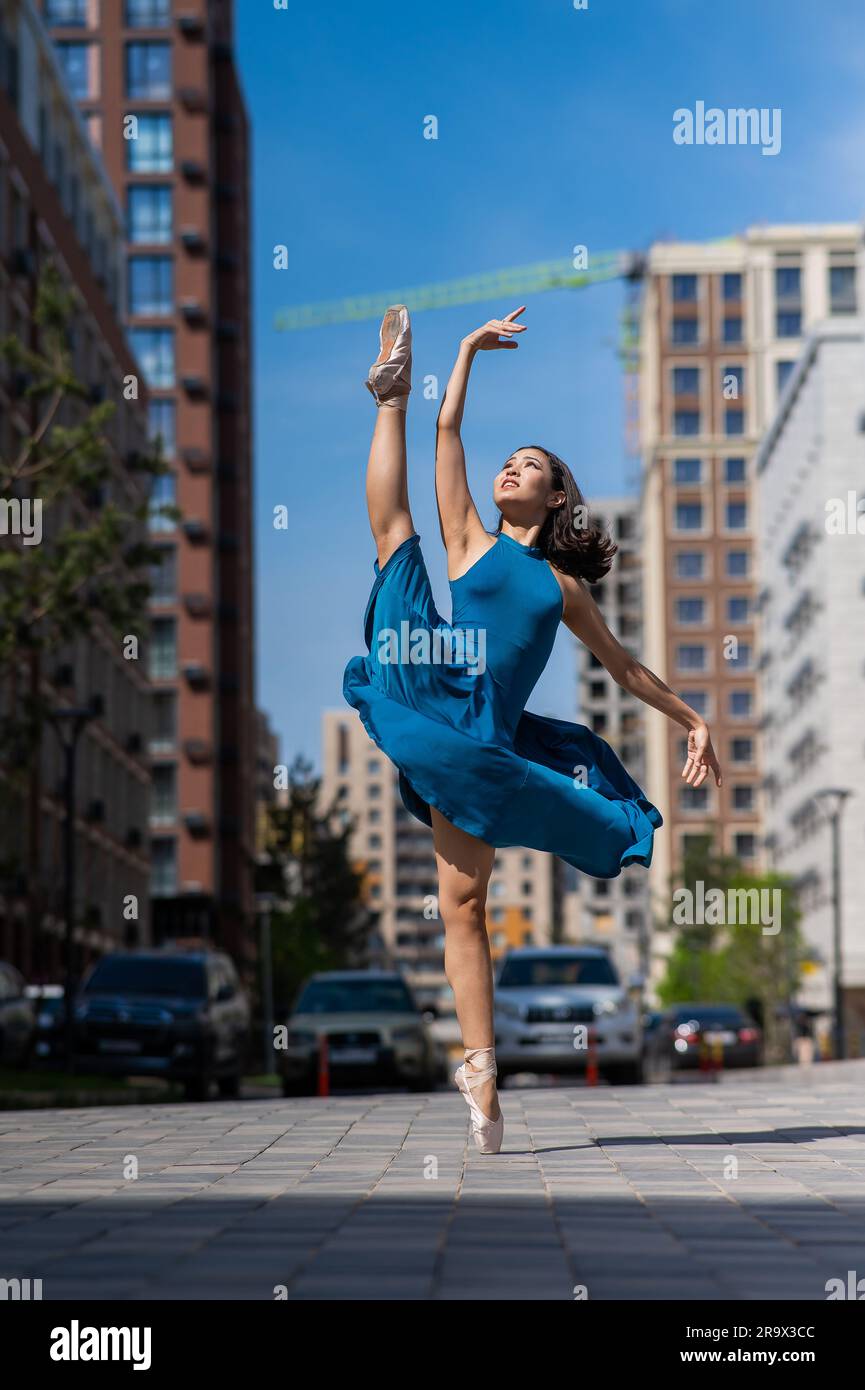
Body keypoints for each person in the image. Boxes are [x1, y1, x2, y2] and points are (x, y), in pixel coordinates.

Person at [344, 305, 722, 1153]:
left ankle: (479, 1067)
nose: (511, 469)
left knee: (464, 905)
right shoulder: (469, 539)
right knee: (395, 535)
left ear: (556, 498)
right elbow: (452, 434)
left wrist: (693, 717)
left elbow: (625, 670)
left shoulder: (561, 588)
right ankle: (384, 394)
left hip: (480, 736)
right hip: (430, 669)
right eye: (508, 462)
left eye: (531, 467)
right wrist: (466, 353)